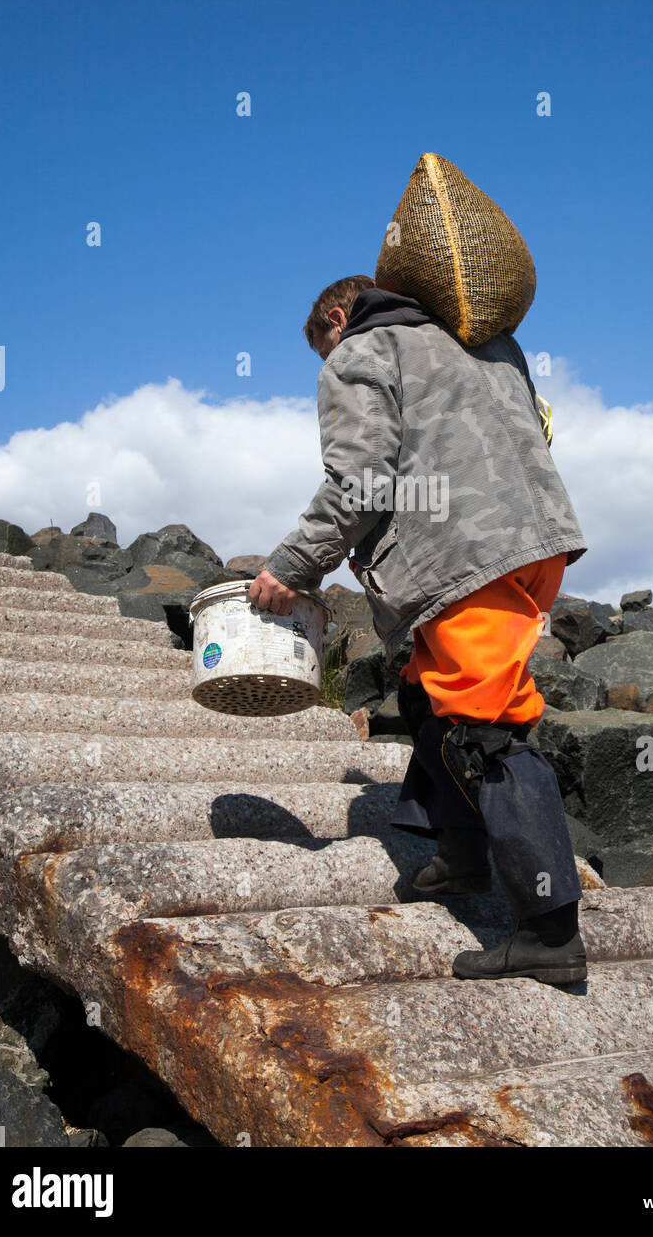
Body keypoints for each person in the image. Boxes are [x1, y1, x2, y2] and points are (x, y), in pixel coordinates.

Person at [247, 274, 590, 985]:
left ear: (336, 318)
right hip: (534, 543)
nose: (326, 365)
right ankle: (460, 860)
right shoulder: (482, 340)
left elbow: (363, 478)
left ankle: (550, 934)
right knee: (422, 695)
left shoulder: (360, 351)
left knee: (485, 727)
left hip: (463, 554)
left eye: (321, 348)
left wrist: (294, 567)